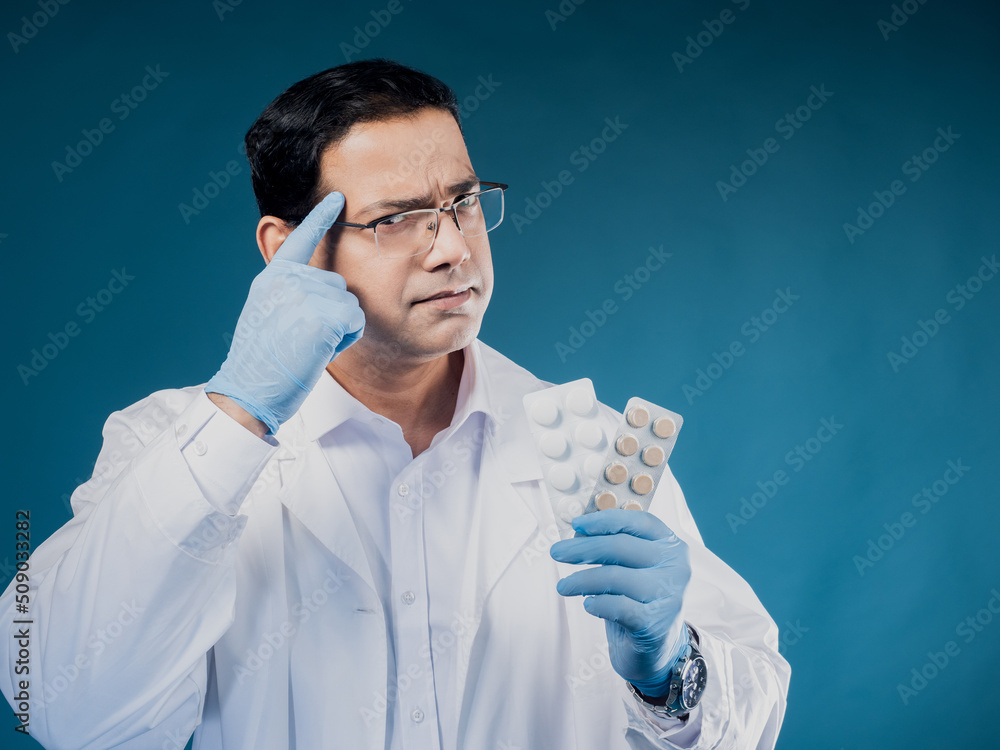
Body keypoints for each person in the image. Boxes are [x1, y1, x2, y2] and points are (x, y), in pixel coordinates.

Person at [0, 58, 789, 749]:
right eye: (397, 219)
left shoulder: (598, 448)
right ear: (288, 250)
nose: (453, 248)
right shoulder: (172, 446)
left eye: (463, 201)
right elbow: (64, 708)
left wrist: (671, 670)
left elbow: (749, 721)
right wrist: (238, 415)